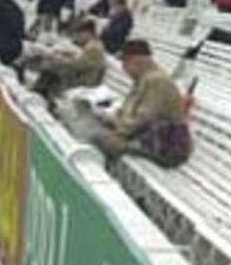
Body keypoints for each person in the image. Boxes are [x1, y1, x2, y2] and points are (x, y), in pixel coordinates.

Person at [65, 39, 192, 168]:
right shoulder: (146, 78)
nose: (124, 69)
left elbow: (143, 119)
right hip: (149, 138)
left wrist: (117, 128)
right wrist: (113, 118)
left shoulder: (157, 81)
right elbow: (131, 112)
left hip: (165, 147)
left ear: (136, 61)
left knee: (99, 137)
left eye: (125, 63)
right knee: (95, 126)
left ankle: (92, 170)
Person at [30, 19, 106, 101]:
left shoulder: (94, 48)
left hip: (83, 82)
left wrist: (60, 59)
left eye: (79, 34)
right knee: (53, 67)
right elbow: (81, 61)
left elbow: (77, 65)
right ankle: (41, 93)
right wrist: (65, 57)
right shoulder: (94, 45)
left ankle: (39, 93)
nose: (78, 37)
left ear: (88, 33)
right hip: (80, 76)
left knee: (53, 67)